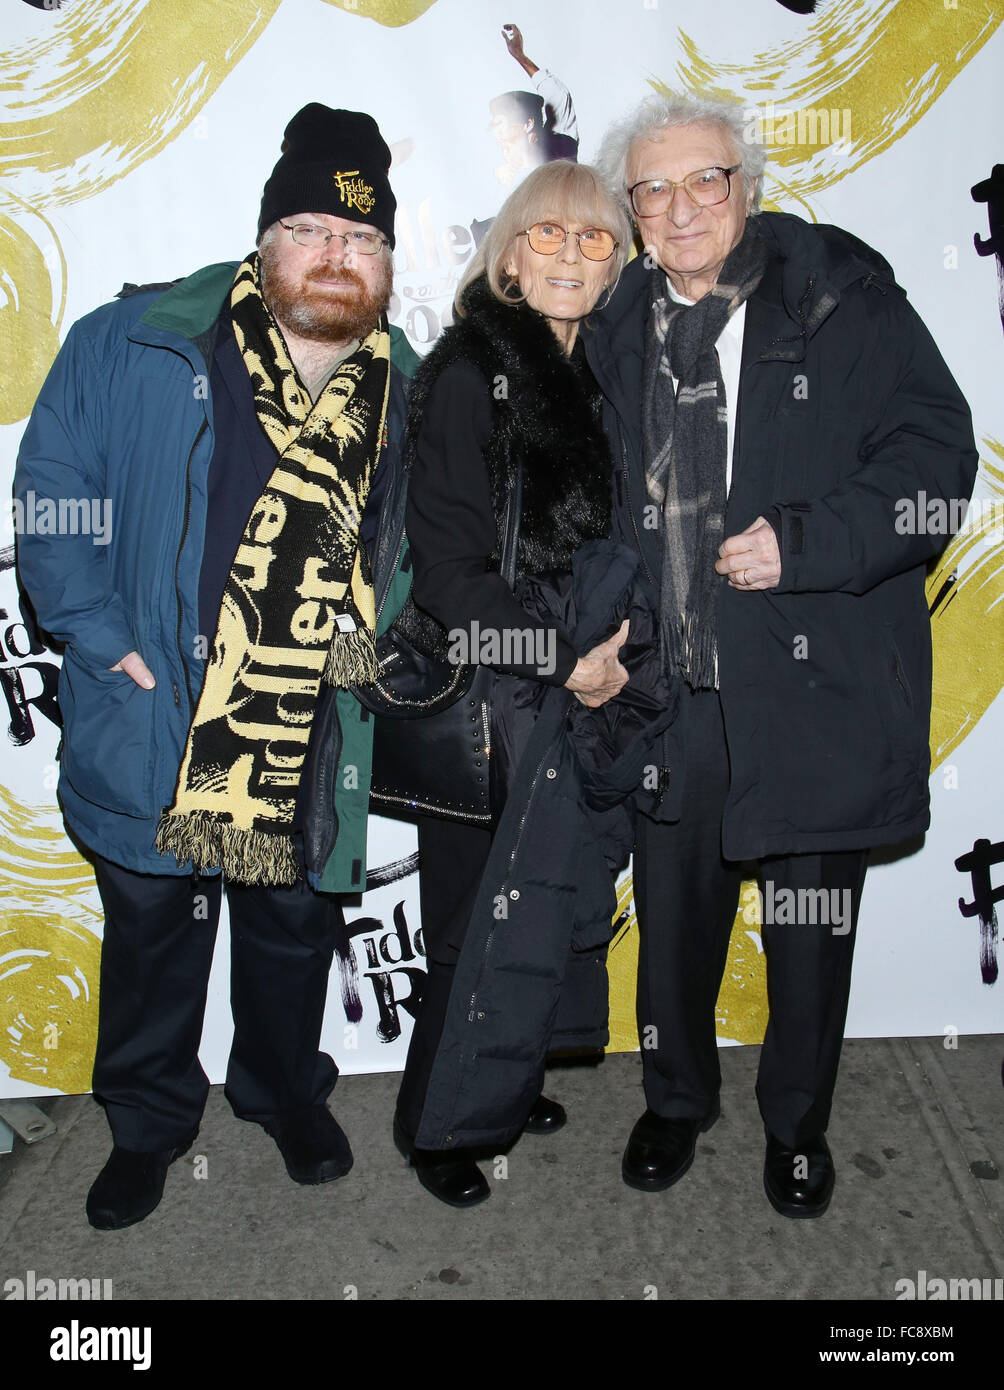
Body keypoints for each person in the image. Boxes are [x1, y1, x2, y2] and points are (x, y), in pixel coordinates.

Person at [14, 104, 417, 1230]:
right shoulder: (134, 340)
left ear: (387, 261)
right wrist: (98, 635)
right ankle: (147, 1120)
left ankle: (282, 1089)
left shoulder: (415, 388)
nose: (335, 255)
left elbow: (432, 548)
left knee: (291, 930)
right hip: (149, 715)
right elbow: (52, 494)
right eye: (309, 228)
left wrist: (381, 641)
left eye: (363, 239)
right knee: (151, 936)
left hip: (310, 723)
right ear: (262, 243)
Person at [588, 93, 978, 1217]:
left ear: (744, 186)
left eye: (701, 179)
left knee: (808, 932)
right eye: (651, 190)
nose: (678, 207)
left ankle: (796, 1125)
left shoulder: (839, 294)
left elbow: (933, 464)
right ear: (632, 210)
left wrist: (803, 544)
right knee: (670, 923)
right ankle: (673, 1101)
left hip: (813, 685)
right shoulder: (615, 323)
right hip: (671, 690)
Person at [391, 161, 636, 1207]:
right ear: (506, 253)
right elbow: (447, 567)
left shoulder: (601, 372)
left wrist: (614, 655)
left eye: (594, 240)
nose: (571, 256)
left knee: (544, 901)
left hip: (580, 688)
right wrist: (557, 656)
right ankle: (437, 1125)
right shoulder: (467, 371)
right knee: (467, 921)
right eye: (549, 235)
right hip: (496, 696)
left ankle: (504, 1076)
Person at [489, 24, 579, 188]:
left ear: (528, 123)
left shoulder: (559, 145)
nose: (496, 132)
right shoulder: (506, 173)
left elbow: (557, 96)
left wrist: (520, 56)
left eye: (500, 123)